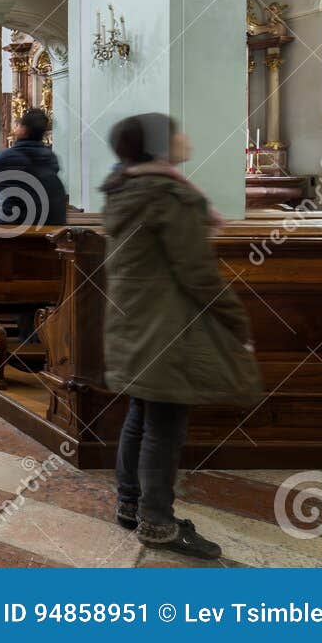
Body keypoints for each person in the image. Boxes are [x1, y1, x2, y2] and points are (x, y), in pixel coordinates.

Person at [101, 113, 262, 560]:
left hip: (136, 322)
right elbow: (199, 275)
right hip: (166, 328)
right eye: (176, 133)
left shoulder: (123, 190)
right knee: (165, 427)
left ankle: (131, 504)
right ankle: (158, 523)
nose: (185, 138)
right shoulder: (168, 196)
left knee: (142, 413)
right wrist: (237, 322)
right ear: (159, 146)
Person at [0, 107, 67, 228]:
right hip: (48, 229)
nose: (16, 128)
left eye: (18, 125)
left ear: (24, 130)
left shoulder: (9, 157)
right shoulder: (51, 158)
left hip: (11, 229)